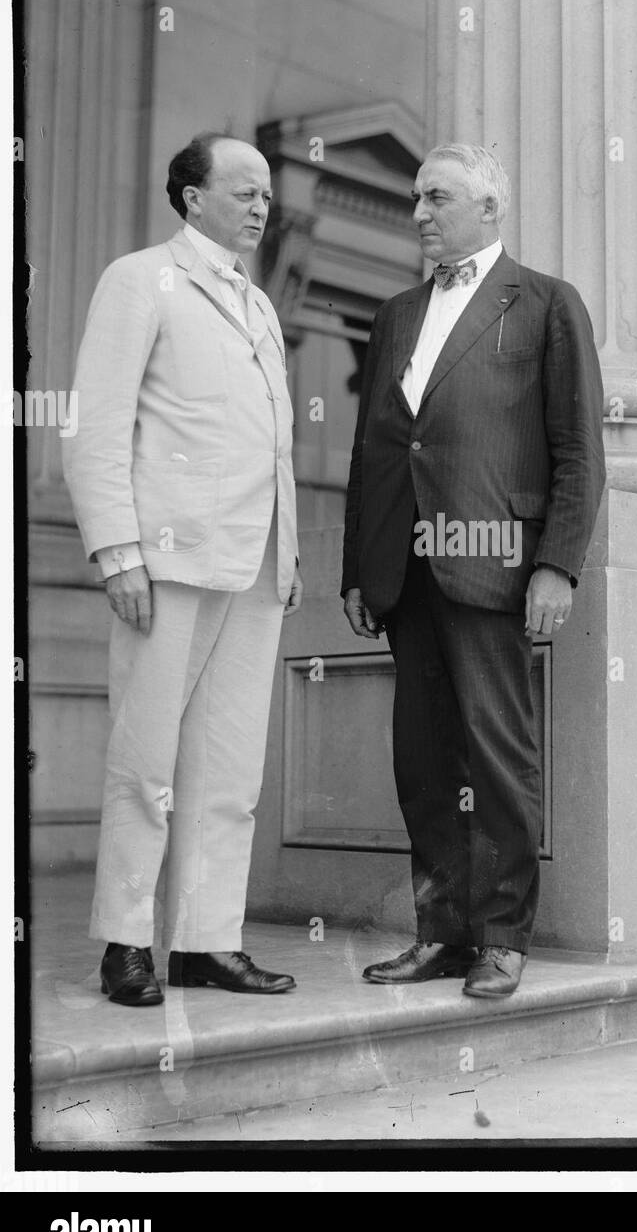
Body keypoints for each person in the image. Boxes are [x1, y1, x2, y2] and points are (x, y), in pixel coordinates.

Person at [342, 143, 605, 998]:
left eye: (436, 198)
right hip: (406, 572)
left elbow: (577, 452)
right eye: (415, 198)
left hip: (493, 566)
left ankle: (499, 936)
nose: (418, 212)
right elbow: (378, 450)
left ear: (489, 207)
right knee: (422, 761)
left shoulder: (545, 305)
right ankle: (441, 931)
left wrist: (555, 568)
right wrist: (359, 566)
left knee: (497, 759)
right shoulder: (393, 316)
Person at [62, 133, 302, 1006]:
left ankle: (206, 941)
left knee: (230, 770)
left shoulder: (260, 306)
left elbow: (268, 444)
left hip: (253, 563)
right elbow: (97, 424)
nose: (259, 205)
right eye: (242, 189)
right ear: (191, 196)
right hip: (164, 560)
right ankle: (125, 939)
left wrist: (291, 549)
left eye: (267, 193)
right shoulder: (140, 278)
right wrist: (116, 549)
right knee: (145, 758)